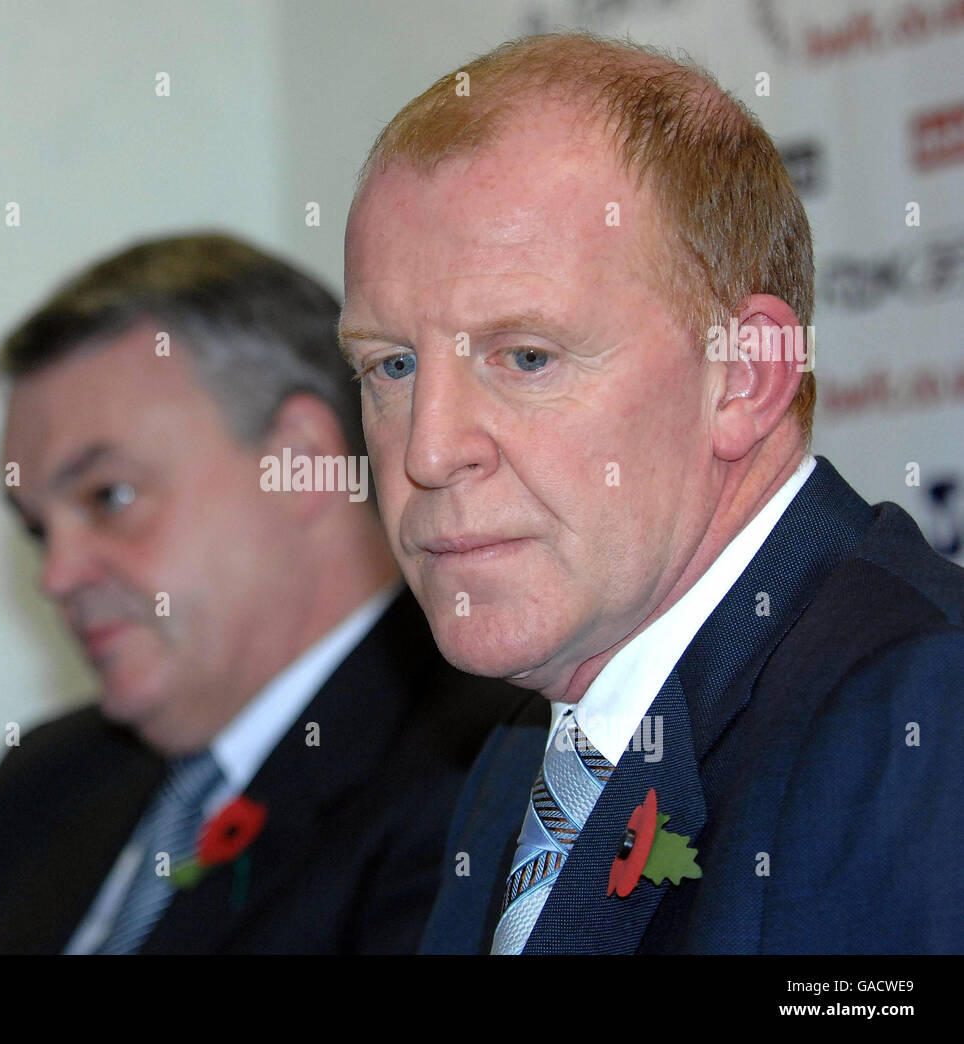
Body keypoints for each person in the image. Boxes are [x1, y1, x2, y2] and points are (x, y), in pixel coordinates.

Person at [339, 33, 964, 954]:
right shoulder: (520, 762)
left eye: (526, 357)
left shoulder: (917, 718)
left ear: (745, 376)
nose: (428, 451)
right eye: (391, 365)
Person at [0, 232, 528, 954]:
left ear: (302, 463)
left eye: (108, 496)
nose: (56, 575)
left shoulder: (485, 768)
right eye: (36, 532)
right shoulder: (47, 781)